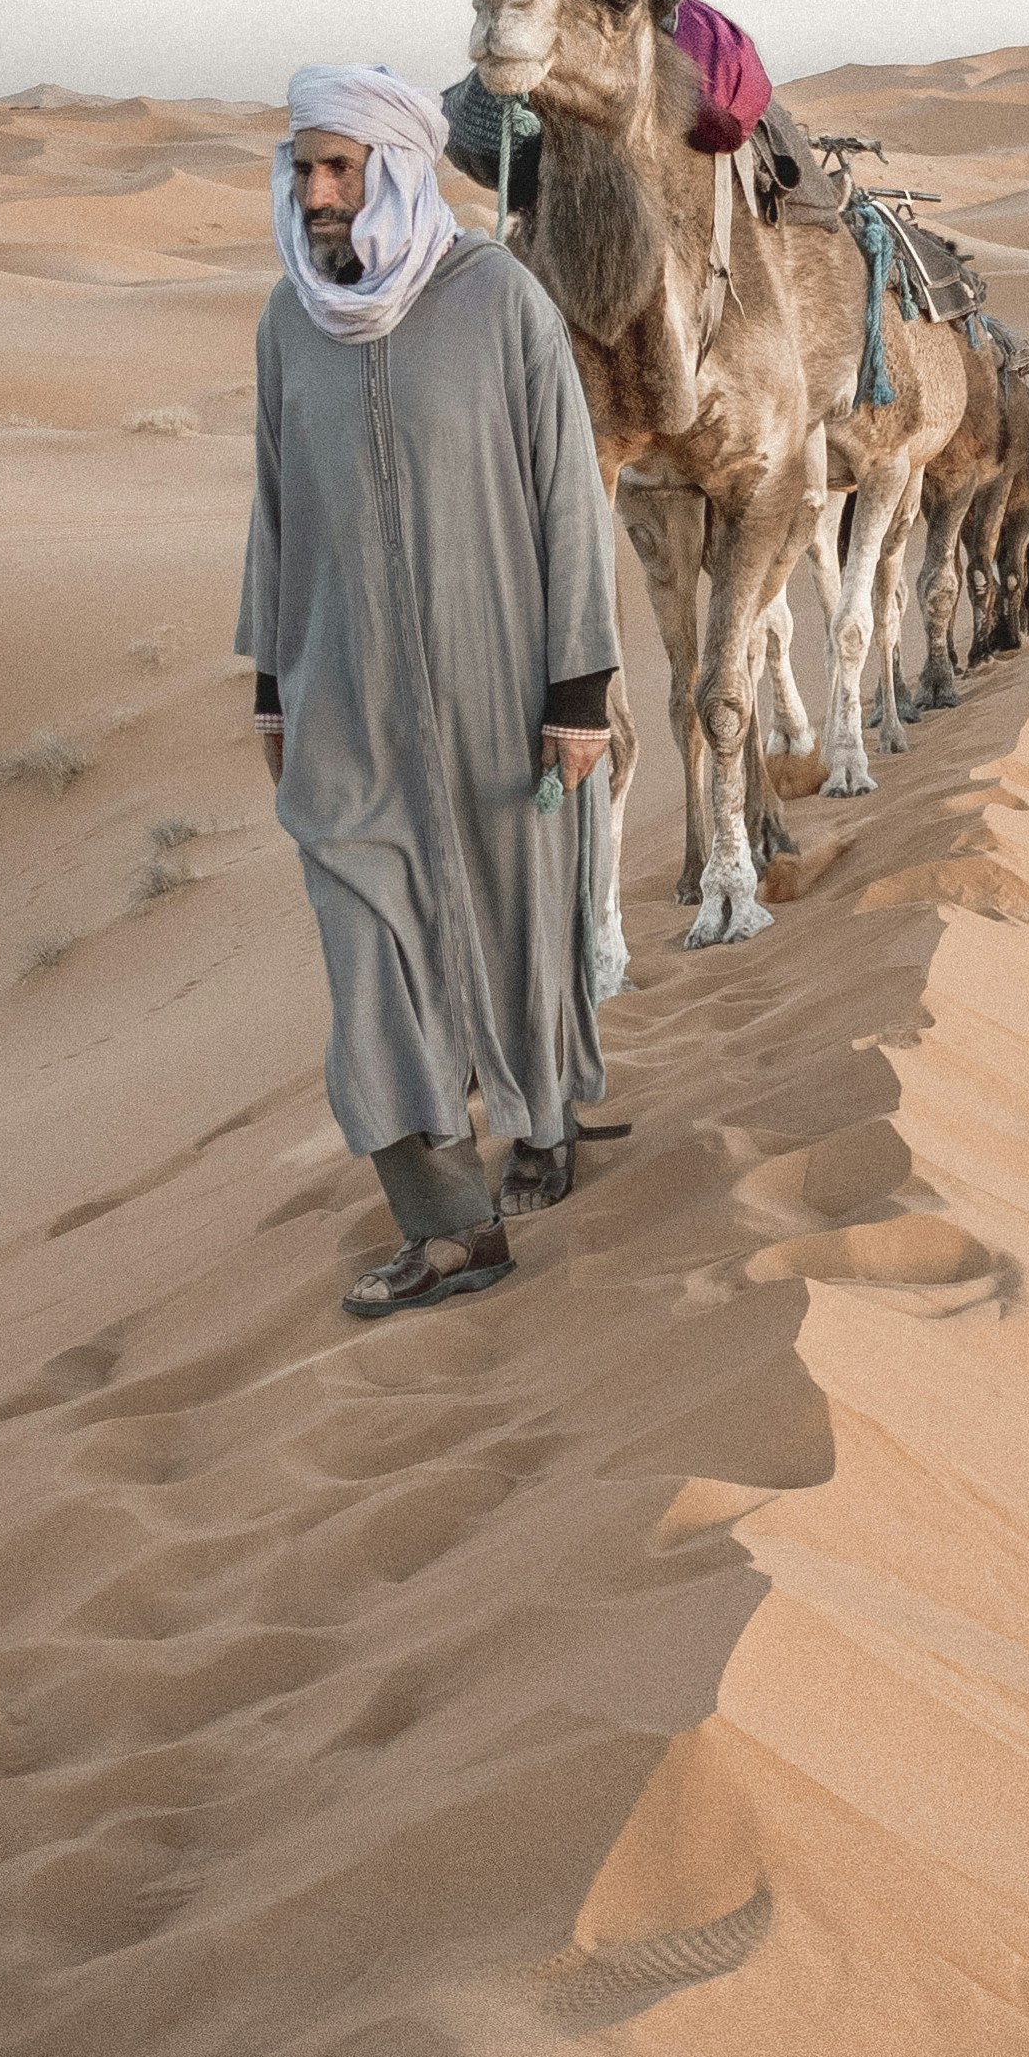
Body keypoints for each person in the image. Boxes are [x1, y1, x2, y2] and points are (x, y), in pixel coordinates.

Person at [238, 65, 619, 1318]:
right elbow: (277, 511)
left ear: (394, 169)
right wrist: (271, 689)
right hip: (345, 700)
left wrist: (579, 690)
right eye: (302, 168)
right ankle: (452, 1225)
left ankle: (543, 1116)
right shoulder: (289, 324)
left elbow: (568, 497)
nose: (315, 193)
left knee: (519, 923)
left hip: (501, 677)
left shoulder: (495, 299)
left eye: (338, 167)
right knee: (366, 957)